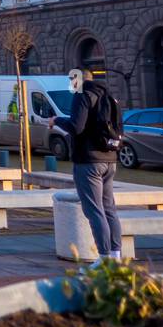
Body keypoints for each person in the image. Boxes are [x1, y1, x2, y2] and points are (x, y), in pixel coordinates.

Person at [49, 69, 123, 261]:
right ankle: (116, 255)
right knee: (109, 208)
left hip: (88, 162)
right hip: (109, 158)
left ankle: (104, 257)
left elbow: (76, 127)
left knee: (94, 210)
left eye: (71, 80)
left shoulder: (82, 95)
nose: (70, 84)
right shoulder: (108, 95)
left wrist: (57, 120)